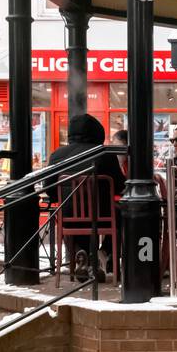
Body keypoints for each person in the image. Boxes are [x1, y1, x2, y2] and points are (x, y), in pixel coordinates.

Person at [48, 114, 125, 281]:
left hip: (67, 216)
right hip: (102, 216)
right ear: (98, 133)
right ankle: (102, 253)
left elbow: (49, 189)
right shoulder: (106, 154)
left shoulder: (56, 156)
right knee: (122, 215)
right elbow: (121, 186)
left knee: (73, 216)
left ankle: (82, 256)